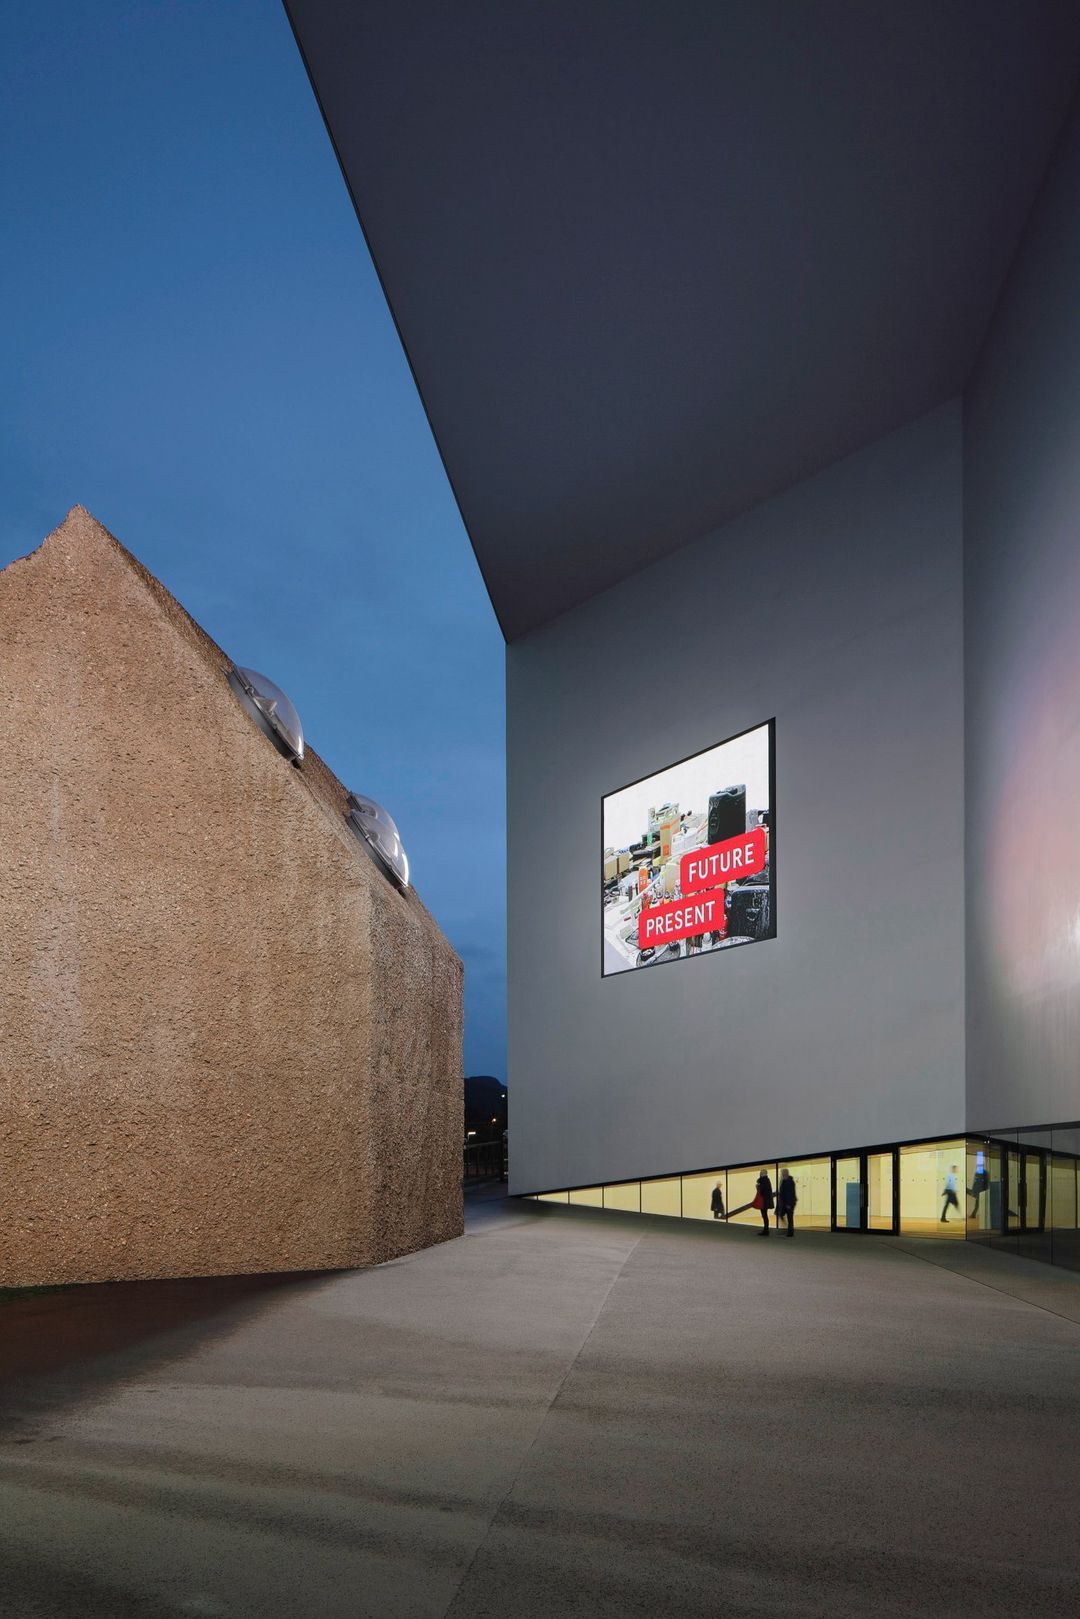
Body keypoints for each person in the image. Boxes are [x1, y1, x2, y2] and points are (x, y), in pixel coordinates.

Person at [776, 1166, 797, 1237]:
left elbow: (790, 1194)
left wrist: (788, 1204)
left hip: (789, 1203)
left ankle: (790, 1233)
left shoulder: (789, 1182)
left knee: (789, 1218)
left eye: (783, 1173)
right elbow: (783, 1192)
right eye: (782, 1173)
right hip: (785, 1203)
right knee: (781, 1214)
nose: (782, 1174)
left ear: (786, 1173)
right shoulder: (785, 1181)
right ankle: (786, 1230)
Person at [755, 1168, 774, 1235]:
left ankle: (766, 1230)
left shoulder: (763, 1180)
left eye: (761, 1173)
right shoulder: (767, 1180)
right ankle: (766, 1230)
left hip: (764, 1202)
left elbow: (761, 1191)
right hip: (766, 1201)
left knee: (764, 1216)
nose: (760, 1174)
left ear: (763, 1174)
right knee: (765, 1216)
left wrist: (757, 1187)